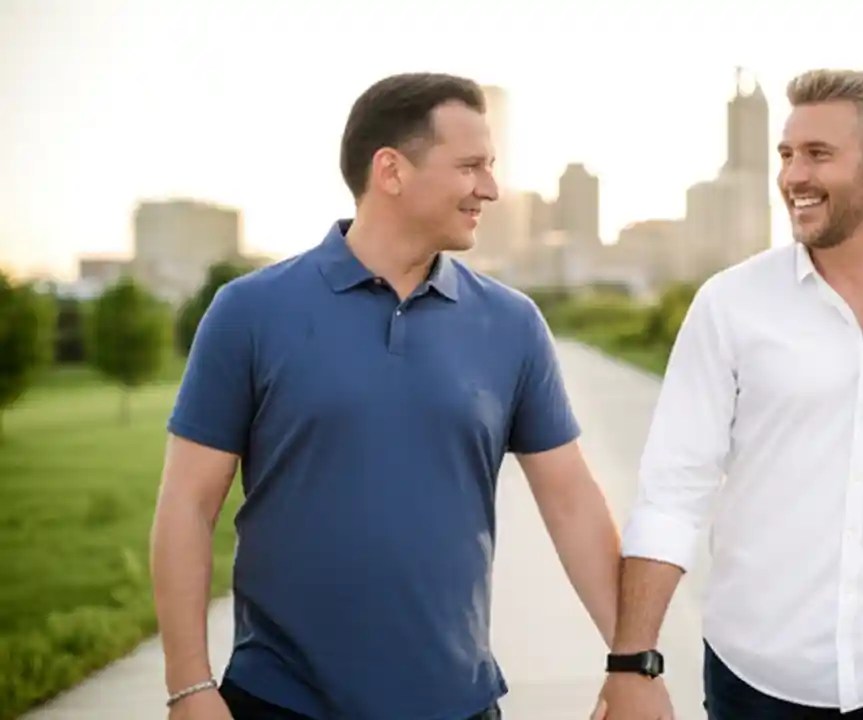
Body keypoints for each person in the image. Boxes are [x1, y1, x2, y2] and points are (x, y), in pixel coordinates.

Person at [150, 72, 621, 720]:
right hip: (280, 702)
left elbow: (571, 501)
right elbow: (186, 505)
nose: (490, 187)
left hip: (458, 705)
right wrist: (189, 686)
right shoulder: (250, 312)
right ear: (392, 171)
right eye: (470, 166)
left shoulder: (512, 325)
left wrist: (633, 660)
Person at [594, 69, 863, 720]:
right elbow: (672, 494)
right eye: (786, 154)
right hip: (757, 677)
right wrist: (633, 662)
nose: (793, 176)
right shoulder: (730, 306)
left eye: (817, 155)